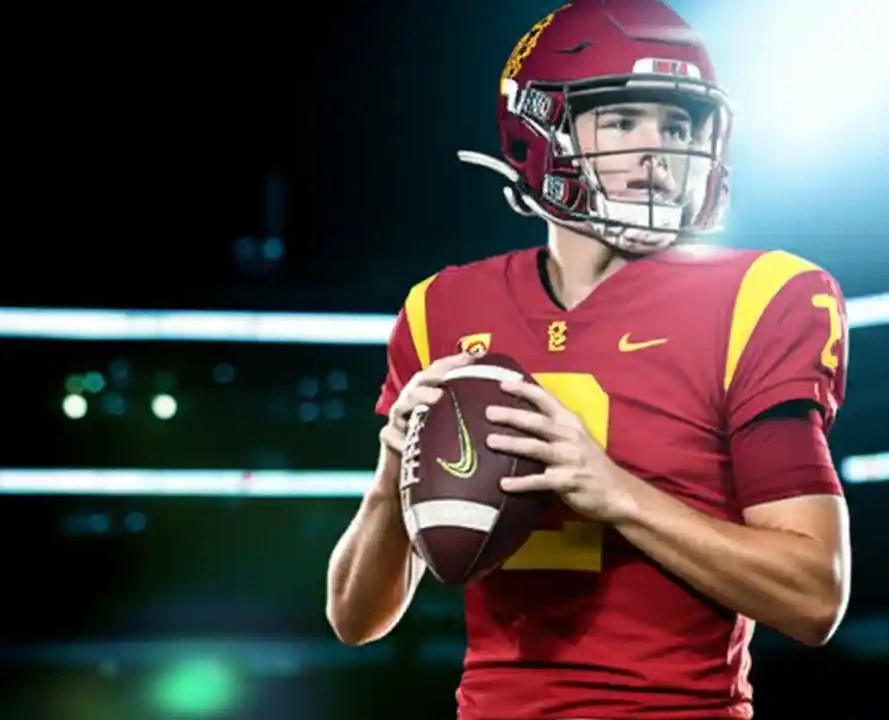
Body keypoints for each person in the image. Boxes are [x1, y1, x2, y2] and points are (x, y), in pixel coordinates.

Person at [326, 1, 852, 717]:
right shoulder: (442, 308)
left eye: (678, 124)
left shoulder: (762, 297)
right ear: (542, 131)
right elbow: (356, 621)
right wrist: (393, 478)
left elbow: (814, 595)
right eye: (623, 120)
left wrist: (614, 491)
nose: (658, 153)